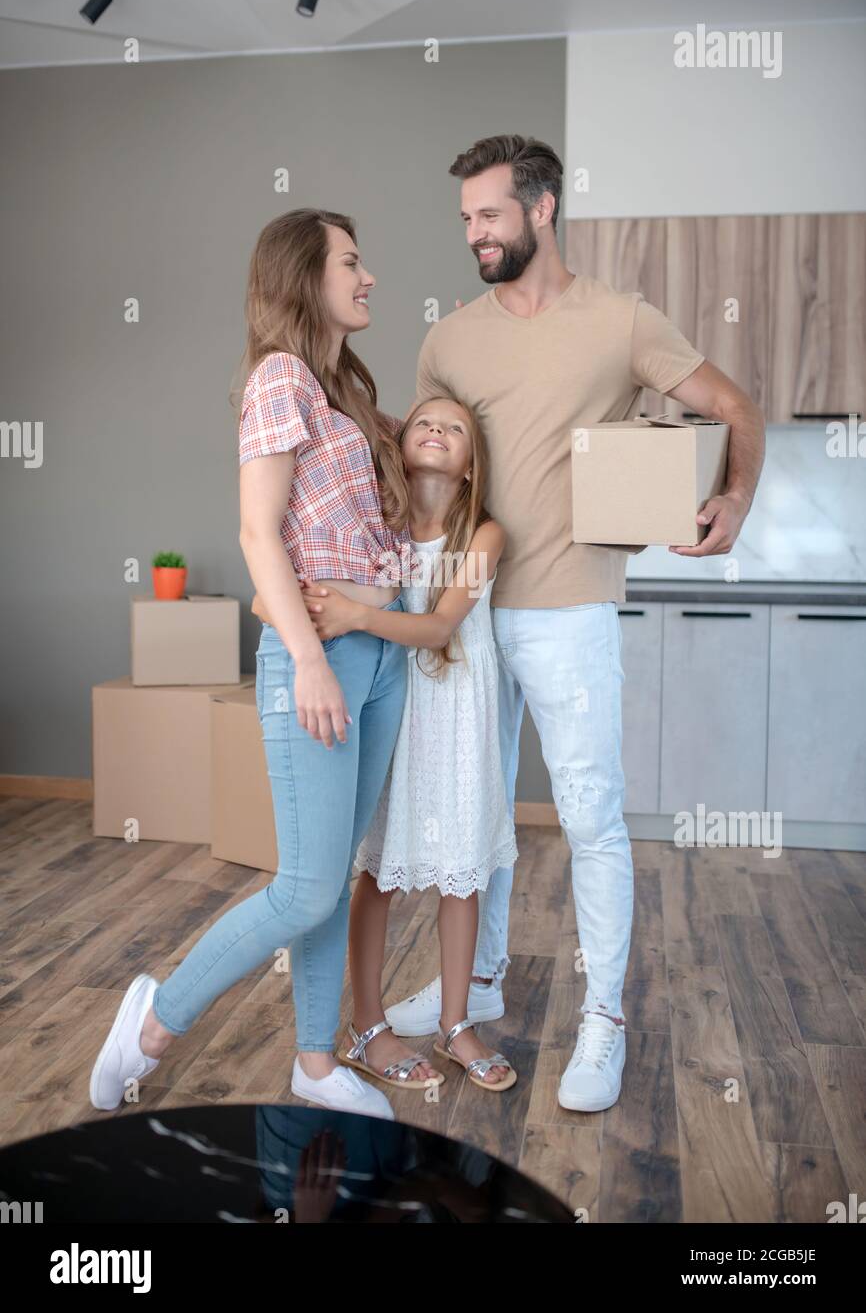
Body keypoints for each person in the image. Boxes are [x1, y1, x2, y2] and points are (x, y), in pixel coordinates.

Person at [385, 135, 766, 1113]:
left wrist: (732, 498)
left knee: (589, 816)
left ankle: (604, 1013)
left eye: (489, 215)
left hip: (570, 611)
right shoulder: (448, 340)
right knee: (473, 814)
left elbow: (731, 404)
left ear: (542, 208)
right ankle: (474, 985)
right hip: (462, 618)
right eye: (465, 217)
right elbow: (428, 468)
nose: (472, 233)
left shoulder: (621, 321)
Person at [89, 208, 439, 1120]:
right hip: (318, 657)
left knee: (327, 876)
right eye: (352, 263)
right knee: (307, 885)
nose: (368, 279)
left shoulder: (342, 390)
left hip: (382, 650)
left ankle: (315, 1065)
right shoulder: (279, 378)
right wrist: (307, 660)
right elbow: (256, 530)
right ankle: (154, 1024)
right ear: (302, 275)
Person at [300, 391, 519, 1094]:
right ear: (399, 444)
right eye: (425, 420)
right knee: (380, 868)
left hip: (458, 717)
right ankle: (368, 1023)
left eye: (455, 428)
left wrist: (355, 615)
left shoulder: (485, 536)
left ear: (470, 465)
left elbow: (437, 629)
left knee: (464, 871)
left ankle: (456, 1022)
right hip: (394, 708)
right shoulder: (380, 526)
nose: (437, 429)